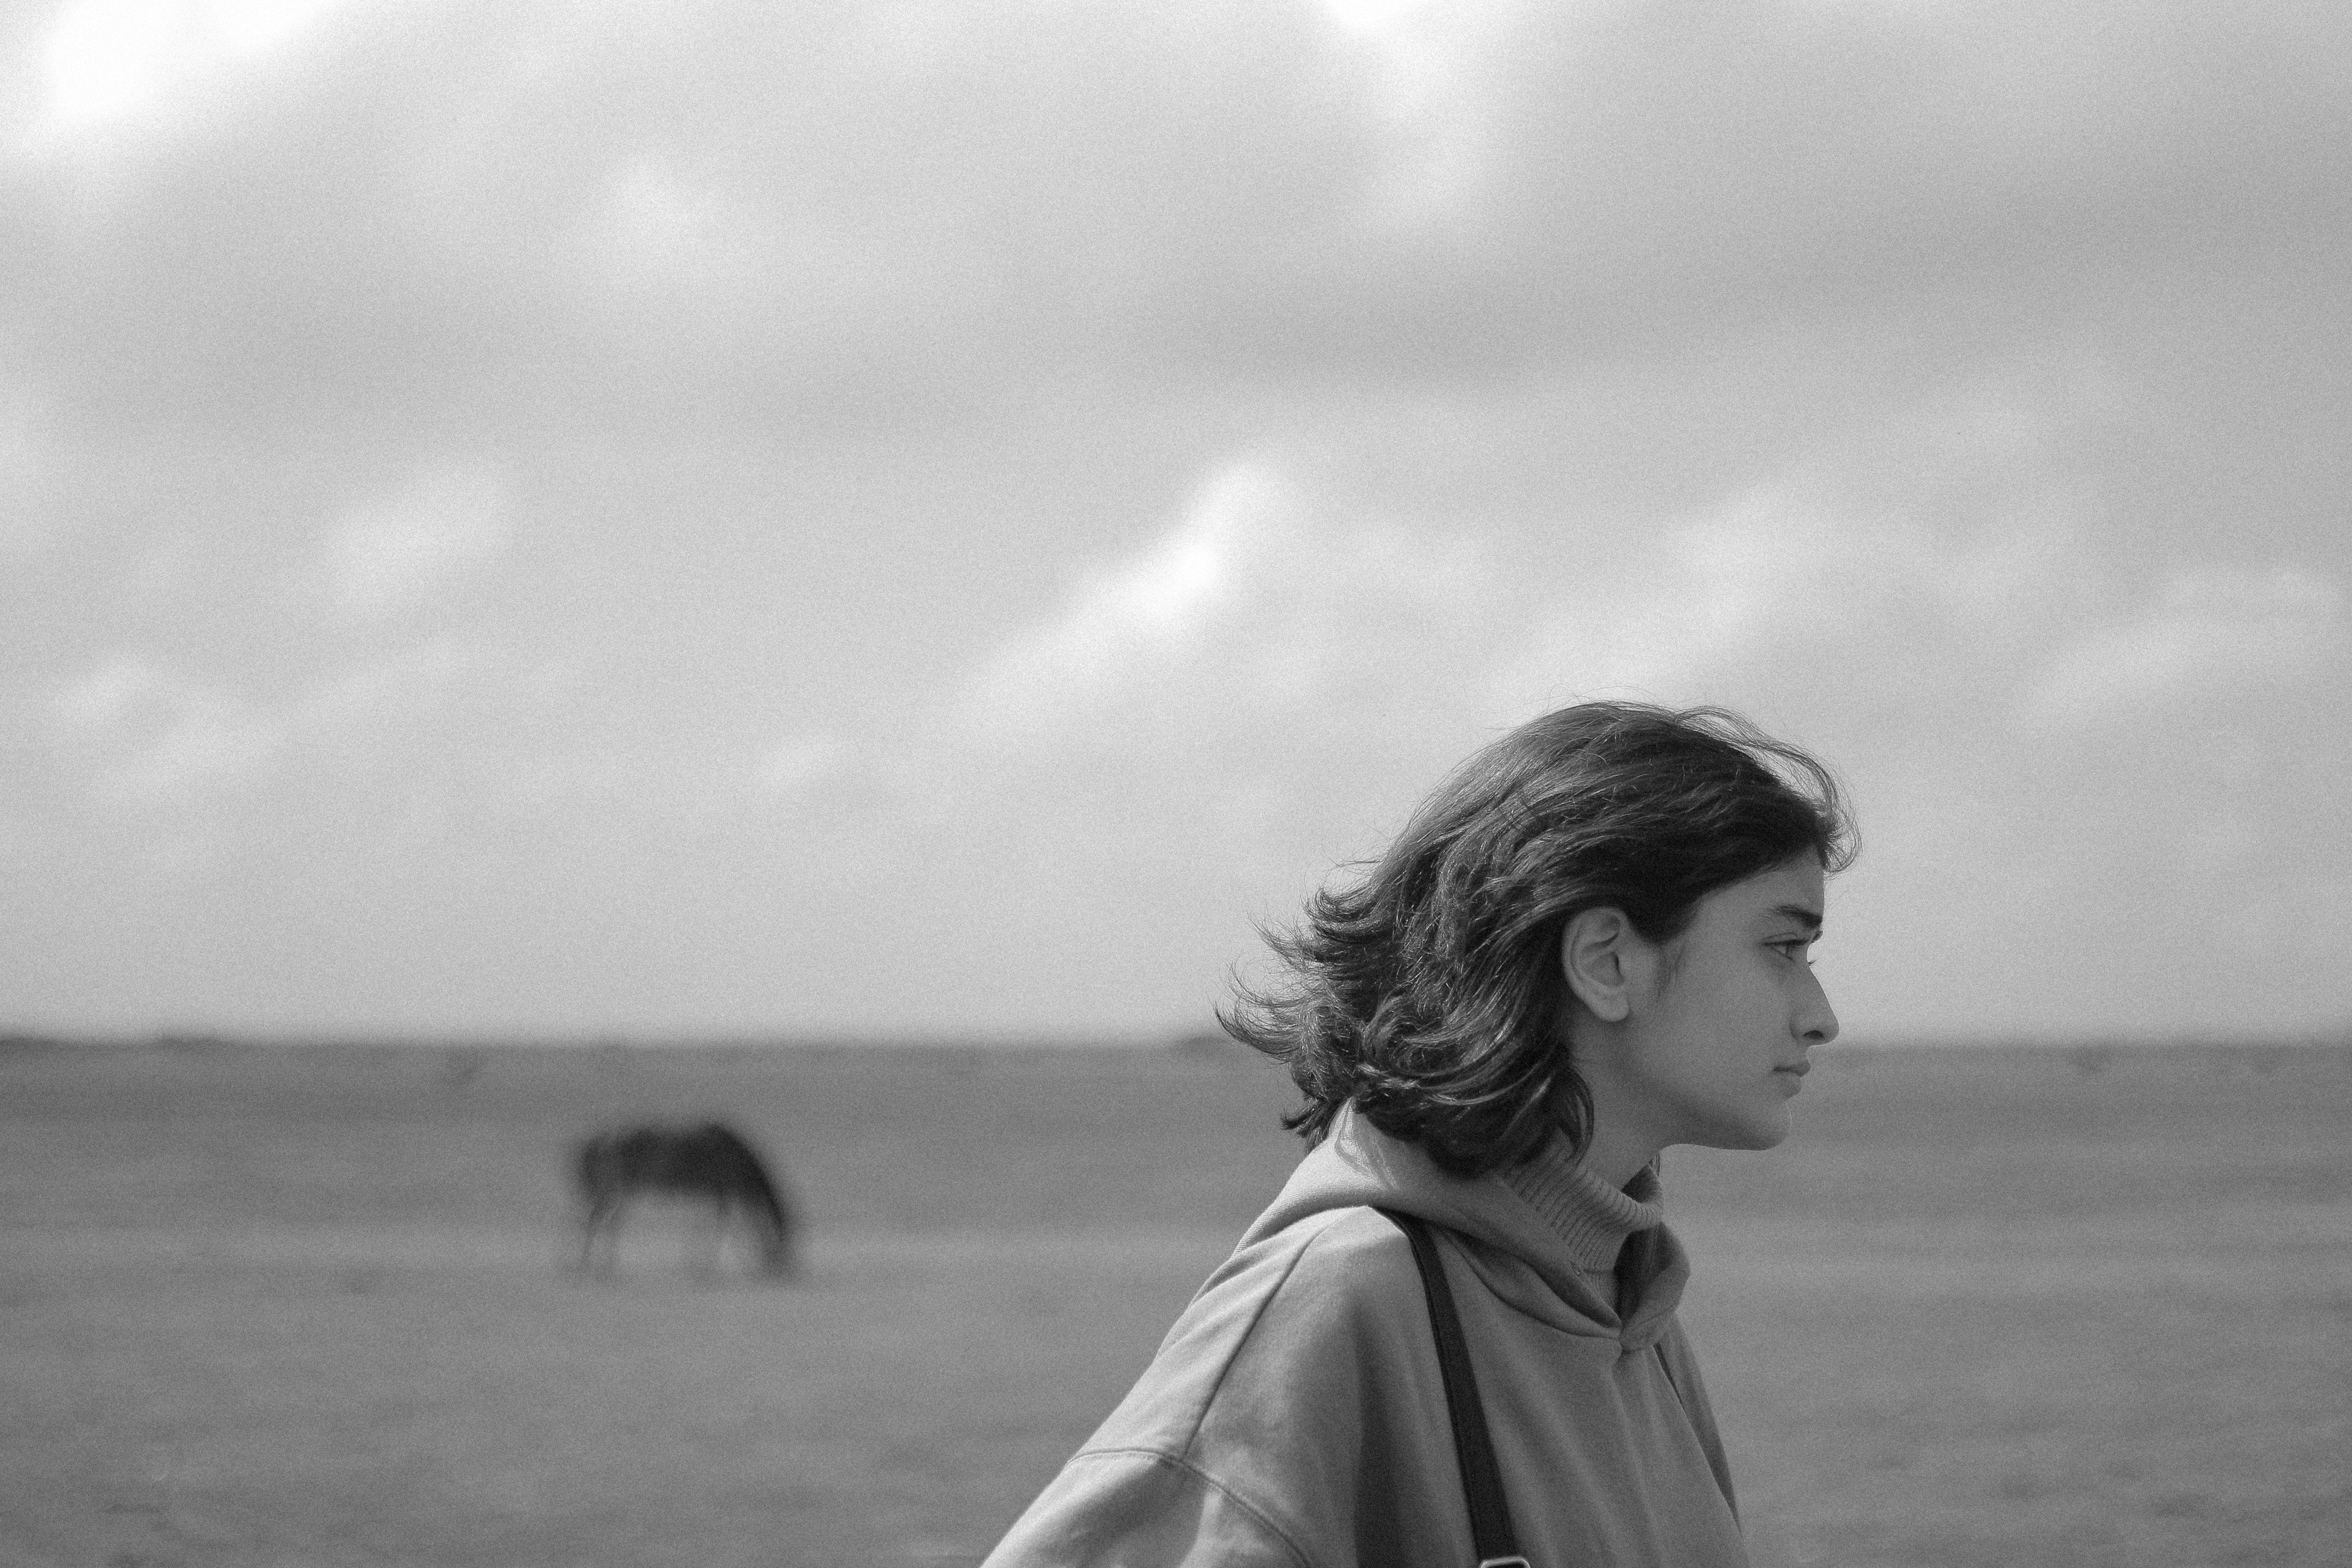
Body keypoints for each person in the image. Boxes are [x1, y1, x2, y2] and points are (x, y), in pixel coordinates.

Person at [982, 702, 1852, 1568]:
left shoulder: (1634, 1306)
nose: (1820, 1016)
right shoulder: (1337, 1303)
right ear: (1605, 960)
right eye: (1783, 946)